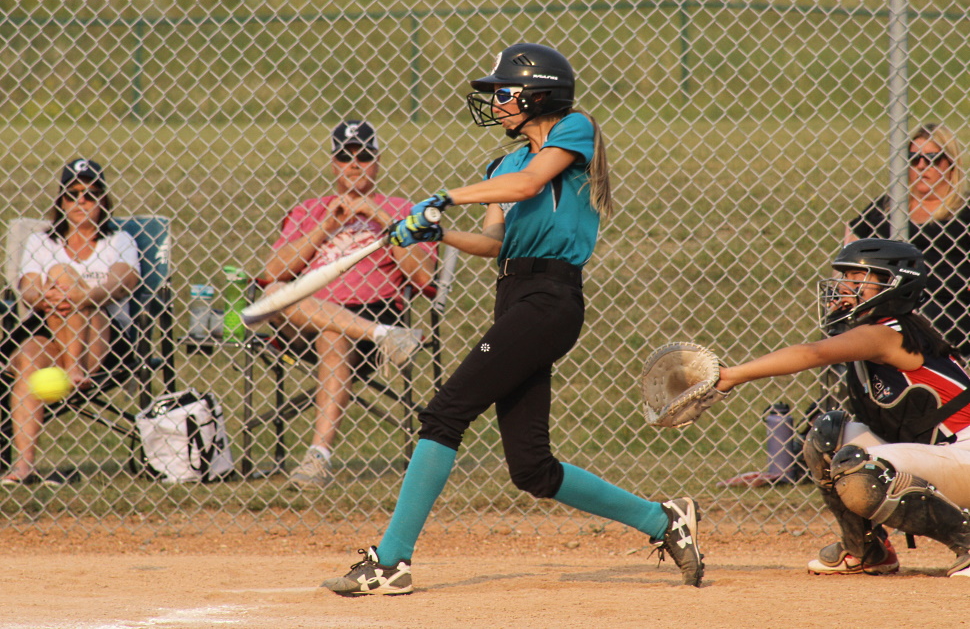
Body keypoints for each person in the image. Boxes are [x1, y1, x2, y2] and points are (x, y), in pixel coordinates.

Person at [319, 43, 704, 596]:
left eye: (504, 92)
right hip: (515, 295)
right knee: (531, 469)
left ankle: (392, 561)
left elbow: (529, 185)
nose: (496, 102)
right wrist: (438, 233)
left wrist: (444, 197)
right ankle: (662, 519)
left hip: (550, 298)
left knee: (445, 414)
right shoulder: (500, 166)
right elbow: (493, 243)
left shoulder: (573, 129)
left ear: (538, 94)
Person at [715, 238, 970, 577]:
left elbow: (813, 353)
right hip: (944, 454)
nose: (845, 286)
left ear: (894, 284)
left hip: (963, 454)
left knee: (862, 472)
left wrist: (730, 376)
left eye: (859, 277)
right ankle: (866, 550)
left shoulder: (885, 333)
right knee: (829, 435)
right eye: (846, 276)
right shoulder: (882, 331)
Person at [261, 119, 436, 489]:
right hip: (305, 320)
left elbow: (423, 276)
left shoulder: (403, 209)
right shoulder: (310, 210)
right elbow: (272, 271)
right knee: (274, 290)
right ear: (333, 164)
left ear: (378, 162)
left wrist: (383, 219)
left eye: (364, 156)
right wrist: (326, 226)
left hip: (372, 309)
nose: (354, 164)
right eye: (344, 156)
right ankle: (387, 336)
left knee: (333, 332)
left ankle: (317, 457)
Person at [2, 158, 140, 485]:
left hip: (102, 336)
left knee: (64, 276)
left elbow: (123, 281)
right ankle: (24, 467)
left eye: (90, 194)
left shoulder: (118, 241)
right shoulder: (42, 241)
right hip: (47, 330)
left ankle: (75, 364)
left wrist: (82, 294)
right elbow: (29, 289)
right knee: (29, 357)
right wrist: (49, 295)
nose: (81, 201)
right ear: (61, 200)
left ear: (103, 200)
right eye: (72, 193)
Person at [846, 122, 970, 356]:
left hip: (947, 308)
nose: (922, 166)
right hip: (887, 305)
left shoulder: (964, 211)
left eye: (933, 158)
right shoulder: (888, 207)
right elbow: (851, 244)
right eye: (914, 159)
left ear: (951, 163)